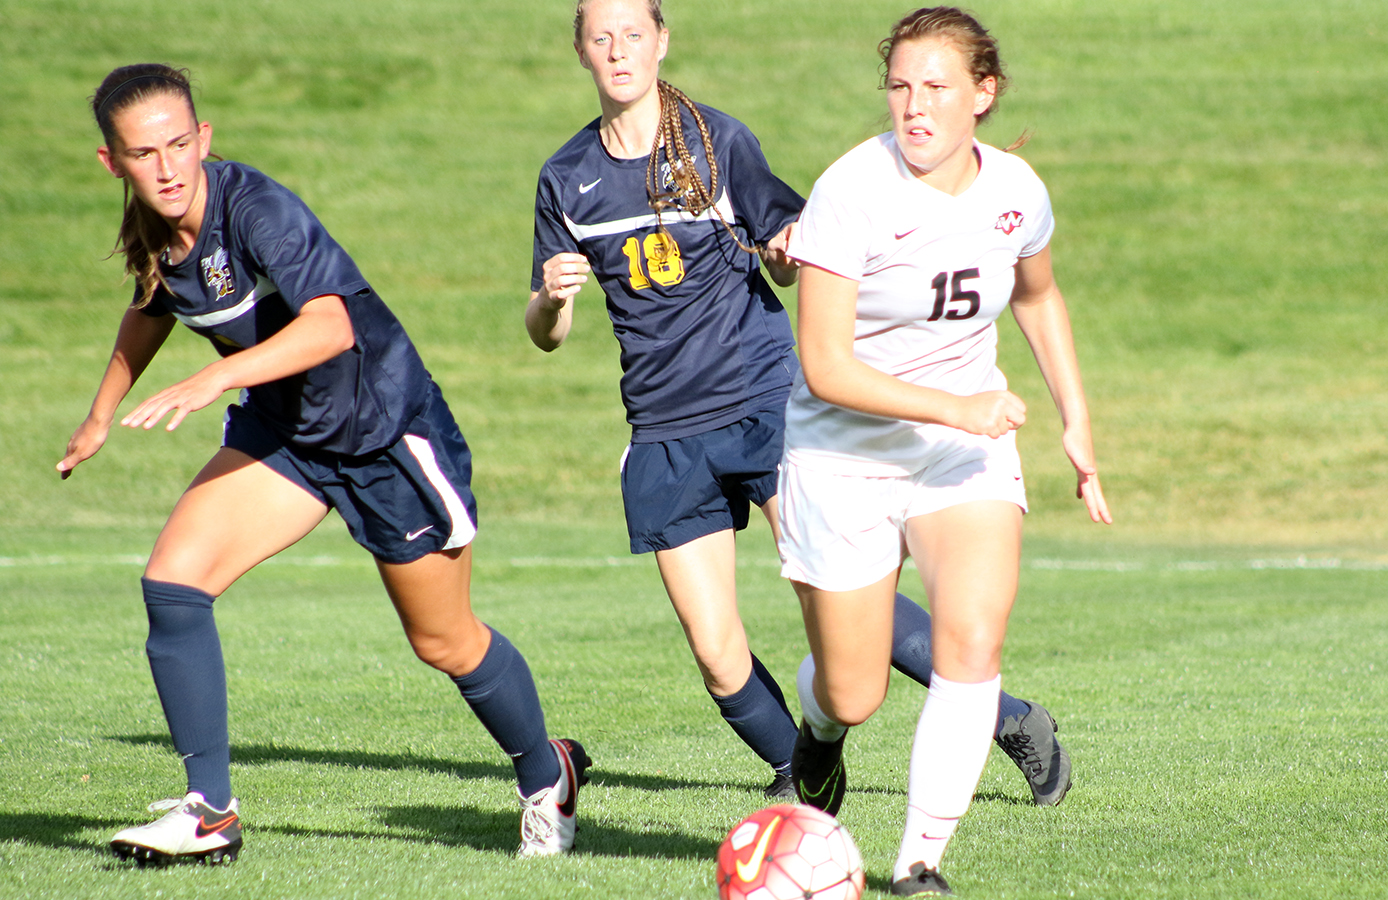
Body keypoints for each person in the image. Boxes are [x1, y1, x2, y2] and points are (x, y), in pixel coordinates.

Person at [525, 0, 1070, 807]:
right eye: (600, 37)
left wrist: (785, 250)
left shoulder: (716, 142)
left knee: (841, 593)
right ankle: (806, 774)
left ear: (661, 40)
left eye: (633, 33)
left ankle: (1011, 719)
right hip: (665, 429)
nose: (618, 50)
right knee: (715, 652)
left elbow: (793, 253)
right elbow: (546, 332)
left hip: (765, 400)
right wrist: (548, 299)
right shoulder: (566, 178)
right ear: (580, 51)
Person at [61, 64, 588, 867]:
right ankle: (210, 813)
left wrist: (216, 377)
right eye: (143, 153)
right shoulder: (154, 228)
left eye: (177, 145)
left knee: (445, 642)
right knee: (172, 583)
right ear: (113, 163)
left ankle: (548, 777)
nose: (165, 168)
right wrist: (99, 416)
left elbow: (333, 327)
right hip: (286, 437)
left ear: (203, 138)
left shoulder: (254, 208)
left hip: (384, 437)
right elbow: (153, 302)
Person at [777, 7, 1114, 895]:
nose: (914, 108)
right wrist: (957, 407)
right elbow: (823, 367)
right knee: (852, 692)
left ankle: (918, 865)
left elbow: (1038, 298)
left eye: (936, 88)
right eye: (899, 87)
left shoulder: (1016, 190)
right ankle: (818, 739)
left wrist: (1075, 419)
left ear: (983, 95)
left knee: (972, 640)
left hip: (959, 458)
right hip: (841, 457)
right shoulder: (849, 191)